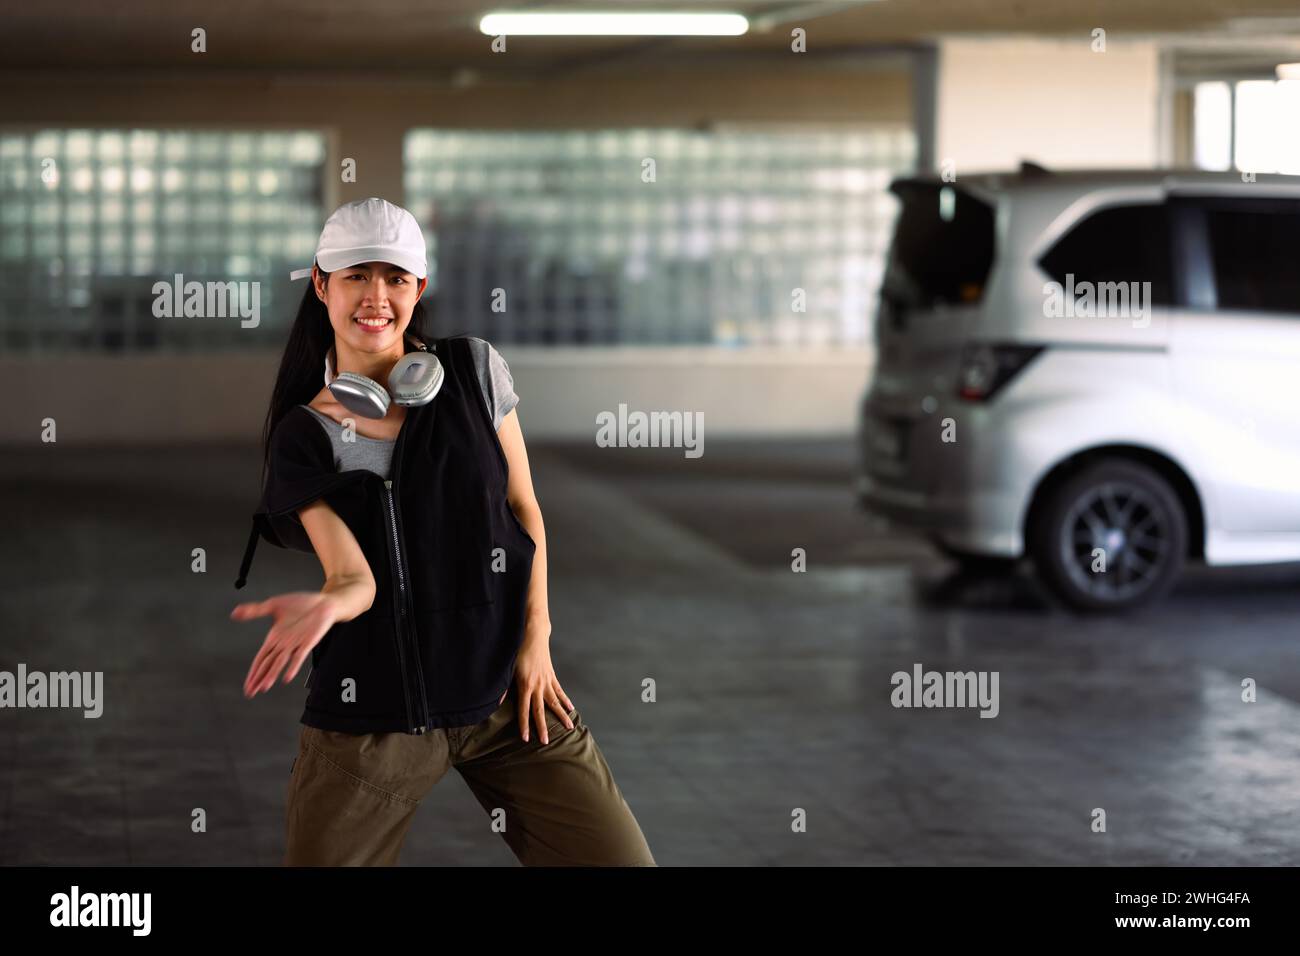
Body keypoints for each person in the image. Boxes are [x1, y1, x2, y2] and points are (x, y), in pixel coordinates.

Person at [230, 197, 655, 867]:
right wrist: (327, 605)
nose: (377, 296)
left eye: (395, 278)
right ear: (321, 285)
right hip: (372, 714)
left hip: (508, 695)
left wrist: (536, 639)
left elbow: (525, 509)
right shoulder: (304, 436)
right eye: (357, 276)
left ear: (418, 287)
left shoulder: (475, 374)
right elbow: (353, 577)